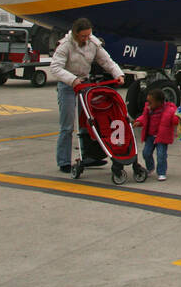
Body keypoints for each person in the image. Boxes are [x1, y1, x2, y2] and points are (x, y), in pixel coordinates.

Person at [51, 17, 126, 172]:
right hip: (68, 85)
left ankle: (89, 156)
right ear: (76, 34)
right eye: (83, 36)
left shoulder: (93, 43)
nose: (86, 39)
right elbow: (55, 68)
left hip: (84, 84)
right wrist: (72, 80)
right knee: (67, 125)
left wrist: (118, 74)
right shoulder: (65, 45)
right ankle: (64, 161)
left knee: (88, 121)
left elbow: (107, 61)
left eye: (88, 35)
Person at [133, 88, 178, 181]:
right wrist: (139, 121)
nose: (148, 104)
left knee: (161, 155)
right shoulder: (148, 110)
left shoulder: (169, 110)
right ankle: (150, 167)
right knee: (146, 153)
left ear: (159, 102)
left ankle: (161, 172)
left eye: (150, 102)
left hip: (161, 137)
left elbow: (174, 120)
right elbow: (144, 117)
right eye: (148, 102)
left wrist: (180, 118)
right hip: (150, 136)